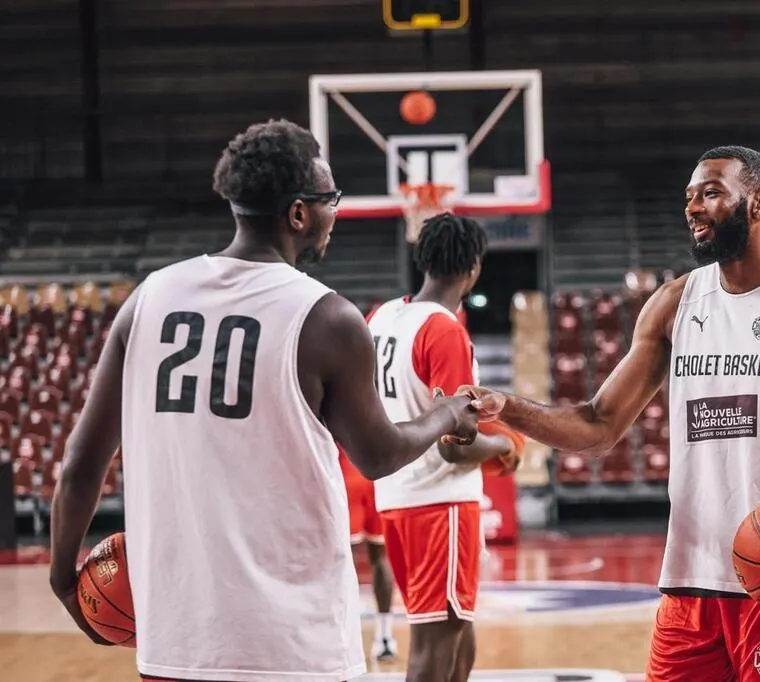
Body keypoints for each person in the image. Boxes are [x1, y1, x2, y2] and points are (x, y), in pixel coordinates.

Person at [48, 119, 480, 682]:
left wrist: (63, 577)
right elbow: (379, 455)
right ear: (298, 214)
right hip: (292, 644)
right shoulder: (328, 317)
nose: (335, 213)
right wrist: (447, 413)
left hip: (176, 638)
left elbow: (81, 464)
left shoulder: (148, 298)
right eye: (330, 200)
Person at [460, 146, 760, 681]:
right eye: (689, 196)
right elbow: (598, 427)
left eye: (711, 193)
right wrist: (509, 408)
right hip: (688, 581)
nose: (692, 207)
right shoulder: (675, 304)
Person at [369, 212, 524, 682]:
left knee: (455, 629)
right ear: (473, 267)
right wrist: (508, 447)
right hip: (440, 502)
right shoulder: (443, 329)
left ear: (423, 258)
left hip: (395, 498)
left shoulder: (380, 317)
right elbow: (458, 444)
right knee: (433, 648)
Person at [338, 447, 397, 661]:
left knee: (346, 559)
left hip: (347, 473)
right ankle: (385, 638)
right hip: (380, 478)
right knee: (380, 557)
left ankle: (344, 634)